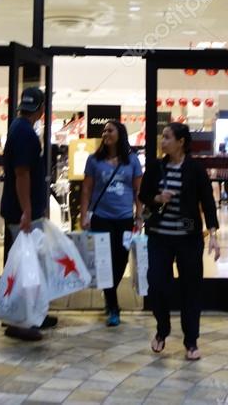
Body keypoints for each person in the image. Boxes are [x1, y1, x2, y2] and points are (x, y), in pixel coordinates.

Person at [139, 122, 220, 361]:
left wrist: (213, 234)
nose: (162, 141)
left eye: (167, 137)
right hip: (159, 237)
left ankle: (191, 341)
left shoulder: (195, 169)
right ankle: (162, 329)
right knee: (156, 285)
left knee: (191, 289)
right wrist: (157, 197)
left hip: (189, 239)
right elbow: (143, 195)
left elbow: (208, 201)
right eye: (162, 137)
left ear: (181, 142)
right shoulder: (155, 167)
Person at [0, 86, 57, 341]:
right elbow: (22, 174)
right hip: (22, 212)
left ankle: (33, 314)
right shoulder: (25, 133)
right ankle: (19, 320)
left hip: (20, 209)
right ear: (42, 109)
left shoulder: (18, 128)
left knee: (28, 265)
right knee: (25, 268)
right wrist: (27, 210)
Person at [80, 120, 143, 327]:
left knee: (121, 260)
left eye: (110, 130)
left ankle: (109, 294)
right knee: (104, 262)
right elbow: (87, 189)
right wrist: (84, 215)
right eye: (104, 130)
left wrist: (139, 215)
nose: (106, 133)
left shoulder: (132, 161)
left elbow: (137, 191)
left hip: (124, 218)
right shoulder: (93, 160)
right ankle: (113, 307)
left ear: (120, 134)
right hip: (101, 217)